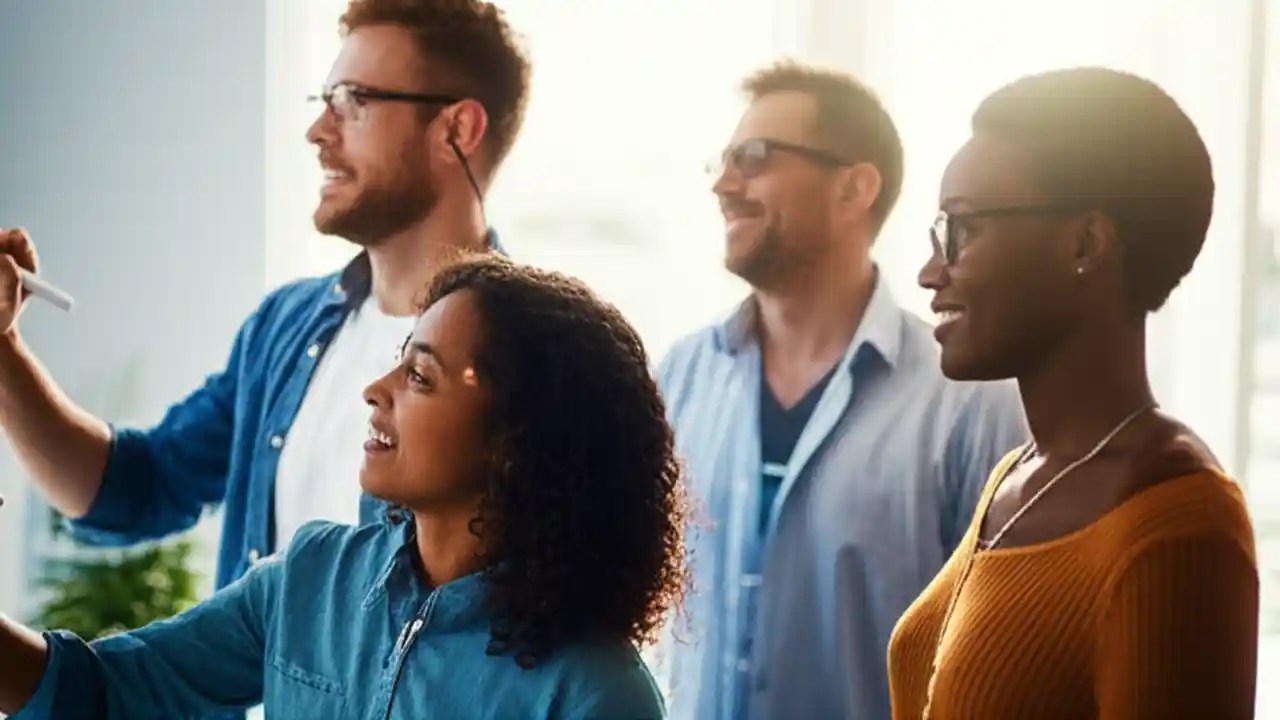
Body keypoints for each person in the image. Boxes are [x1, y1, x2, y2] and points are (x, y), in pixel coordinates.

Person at [0, 254, 687, 719]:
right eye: (398, 362)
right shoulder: (309, 580)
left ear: (516, 441)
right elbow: (105, 689)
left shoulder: (597, 691)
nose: (374, 391)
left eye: (419, 377)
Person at [0, 0, 528, 595]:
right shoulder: (285, 326)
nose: (317, 132)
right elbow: (133, 489)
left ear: (456, 129)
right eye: (323, 102)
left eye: (353, 101)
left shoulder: (529, 359)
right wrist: (5, 349)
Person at [656, 61, 1026, 720]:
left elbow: (1008, 660)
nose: (723, 183)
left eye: (756, 158)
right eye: (724, 159)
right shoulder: (681, 376)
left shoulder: (968, 401)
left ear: (854, 189)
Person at [889, 67, 1259, 719]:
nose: (928, 272)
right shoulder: (1019, 474)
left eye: (962, 230)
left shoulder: (1175, 528)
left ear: (1085, 243)